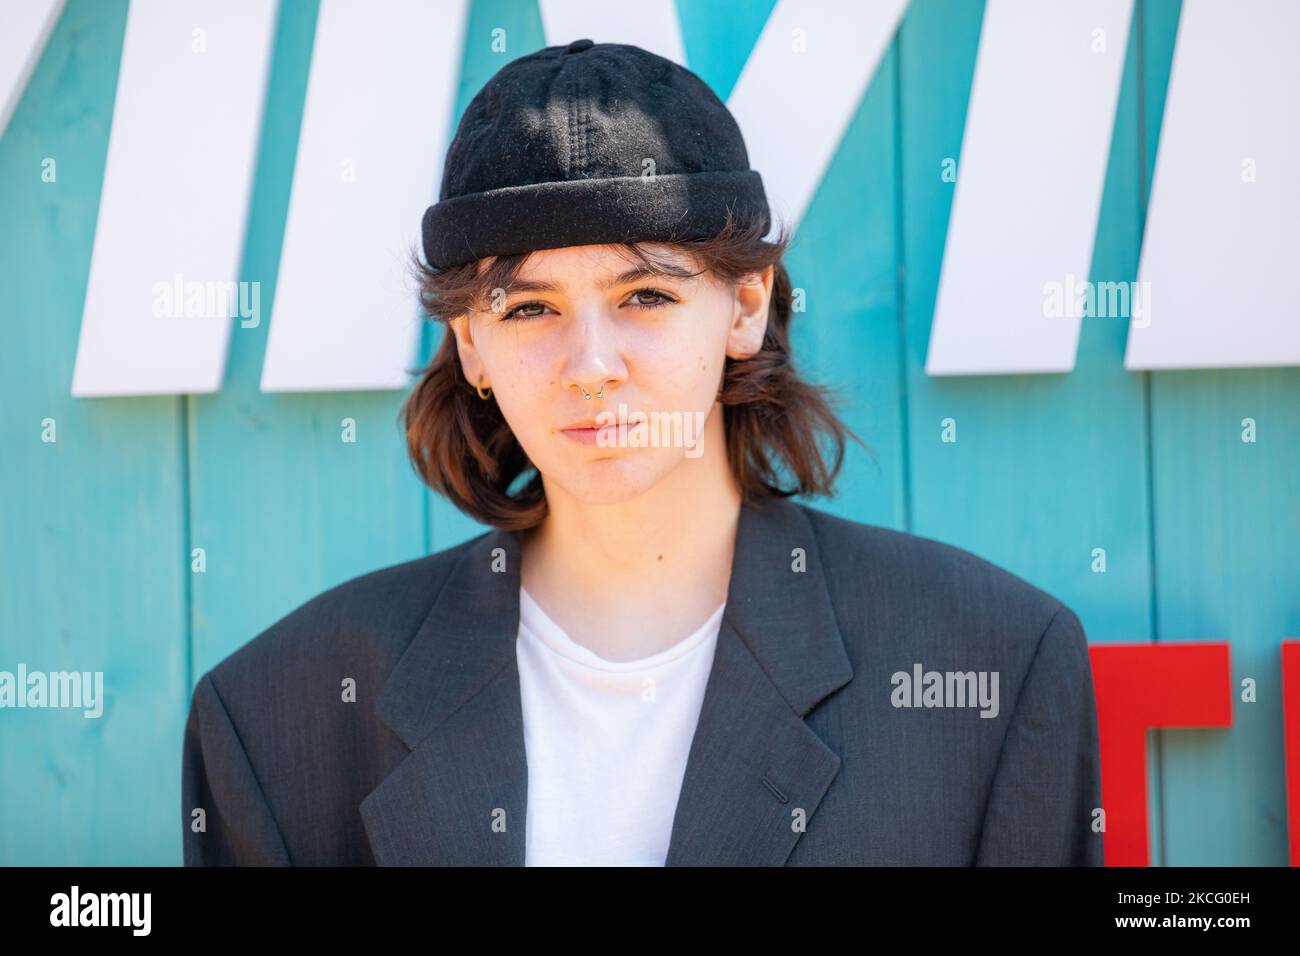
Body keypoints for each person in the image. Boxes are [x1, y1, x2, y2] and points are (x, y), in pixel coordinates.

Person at [182, 39, 1104, 866]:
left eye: (646, 296)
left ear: (744, 307)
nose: (591, 366)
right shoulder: (278, 712)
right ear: (470, 344)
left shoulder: (995, 667)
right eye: (530, 307)